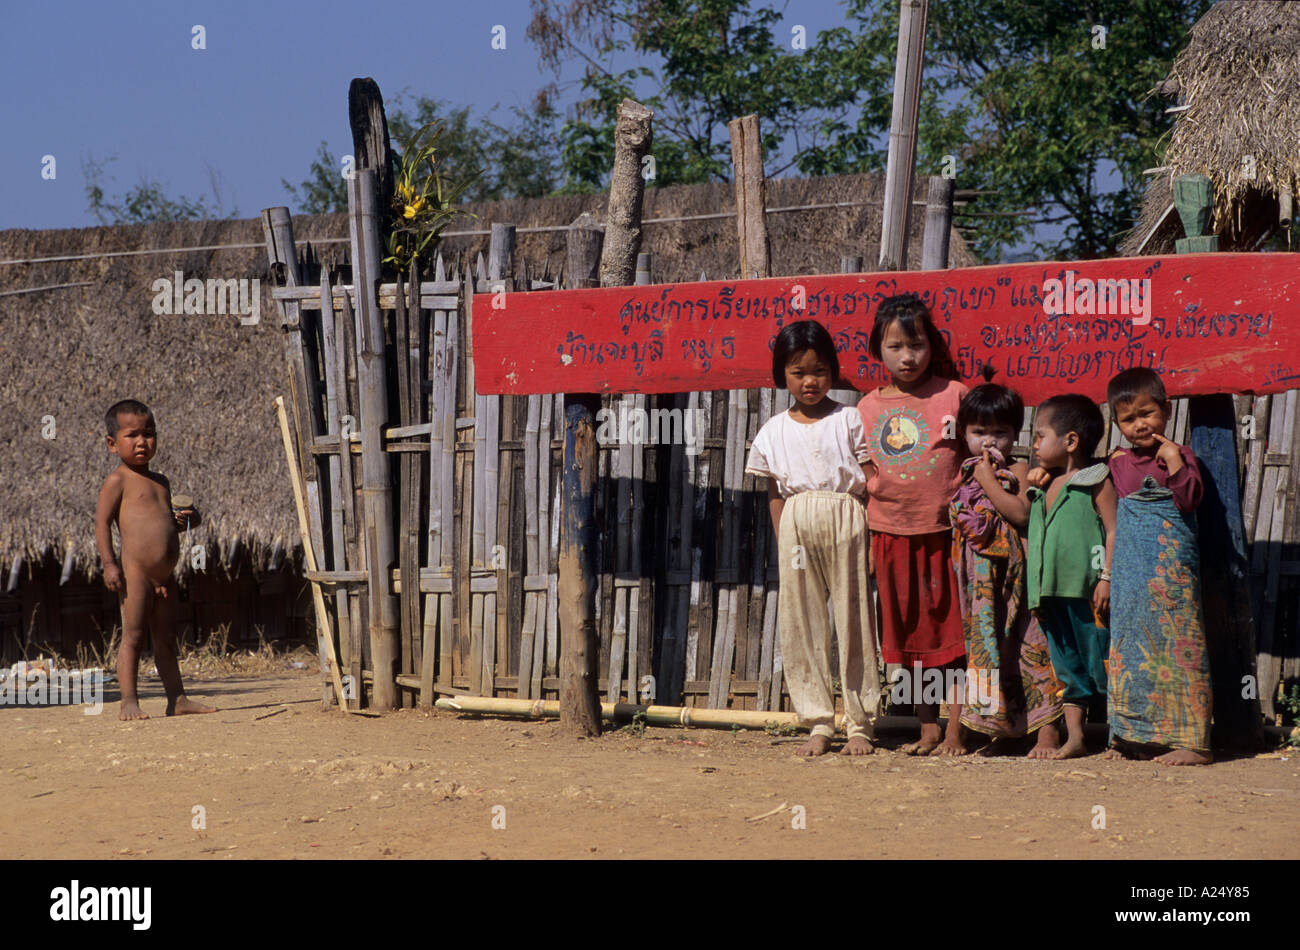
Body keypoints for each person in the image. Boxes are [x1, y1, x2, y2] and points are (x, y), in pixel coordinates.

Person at [745, 320, 880, 756]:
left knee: (855, 621)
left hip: (848, 519)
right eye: (798, 372)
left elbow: (872, 480)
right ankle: (818, 720)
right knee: (802, 624)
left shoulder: (850, 419)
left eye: (819, 371)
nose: (810, 381)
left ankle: (861, 724)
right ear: (781, 374)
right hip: (797, 525)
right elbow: (774, 495)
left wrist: (874, 536)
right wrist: (786, 541)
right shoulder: (771, 432)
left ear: (834, 371)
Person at [857, 294, 969, 755]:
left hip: (950, 535)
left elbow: (981, 451)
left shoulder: (955, 395)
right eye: (896, 346)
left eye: (917, 345)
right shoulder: (866, 408)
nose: (908, 356)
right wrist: (867, 540)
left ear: (932, 346)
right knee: (906, 637)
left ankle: (960, 727)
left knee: (958, 632)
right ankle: (927, 725)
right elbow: (861, 477)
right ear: (877, 351)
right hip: (889, 535)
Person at [948, 368, 1065, 756]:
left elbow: (1019, 514)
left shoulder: (1016, 471)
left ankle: (1046, 732)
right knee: (982, 648)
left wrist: (988, 480)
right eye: (979, 431)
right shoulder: (964, 474)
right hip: (976, 579)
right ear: (963, 433)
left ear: (1015, 434)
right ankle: (977, 730)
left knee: (1030, 644)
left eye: (999, 432)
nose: (989, 440)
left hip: (1015, 577)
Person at [1103, 368, 1212, 765]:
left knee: (1180, 643)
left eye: (1147, 413)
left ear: (1166, 410)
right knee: (1130, 646)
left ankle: (1192, 741)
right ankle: (1129, 736)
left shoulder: (1180, 456)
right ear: (1116, 423)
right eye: (1128, 419)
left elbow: (1190, 501)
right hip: (1132, 574)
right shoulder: (1119, 464)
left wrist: (1175, 462)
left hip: (1172, 574)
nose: (1139, 425)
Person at [94, 400, 216, 720]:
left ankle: (177, 699)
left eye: (148, 434)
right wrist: (109, 564)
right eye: (132, 435)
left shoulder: (161, 482)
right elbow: (102, 524)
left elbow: (182, 523)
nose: (141, 442)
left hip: (165, 577)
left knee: (165, 638)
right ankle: (129, 701)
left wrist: (188, 519)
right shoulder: (117, 481)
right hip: (136, 575)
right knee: (133, 636)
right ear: (112, 444)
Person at [1024, 395, 1116, 758]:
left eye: (1039, 435)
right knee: (1067, 669)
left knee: (1103, 663)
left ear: (1071, 441)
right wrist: (1035, 594)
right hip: (1050, 595)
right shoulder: (1043, 485)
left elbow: (1113, 530)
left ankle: (1119, 737)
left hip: (1088, 594)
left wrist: (1107, 577)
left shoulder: (1097, 480)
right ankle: (1075, 737)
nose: (1033, 444)